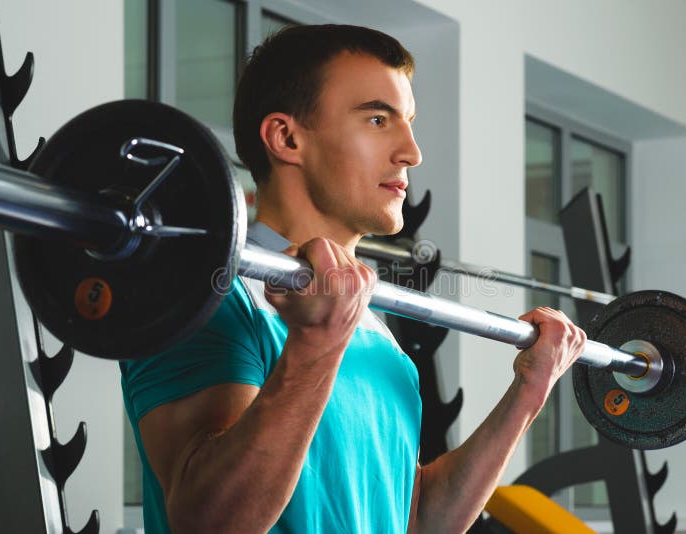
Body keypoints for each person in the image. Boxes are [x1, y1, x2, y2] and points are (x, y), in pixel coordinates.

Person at [121, 24, 587, 533]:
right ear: (287, 137)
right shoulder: (208, 295)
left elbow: (415, 521)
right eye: (377, 118)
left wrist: (527, 394)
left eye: (407, 122)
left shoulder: (377, 335)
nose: (412, 151)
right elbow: (208, 524)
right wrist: (317, 344)